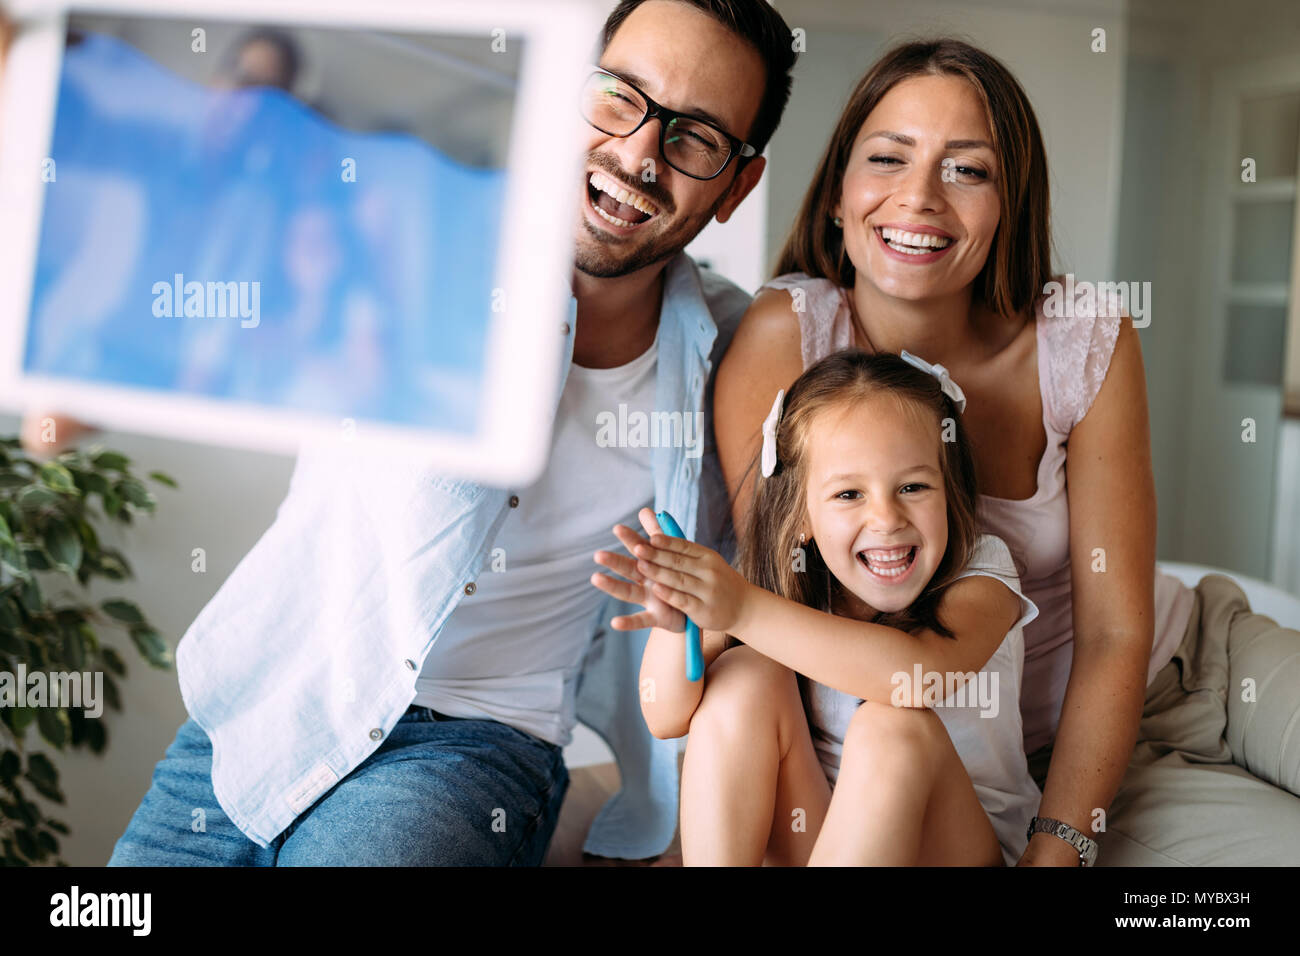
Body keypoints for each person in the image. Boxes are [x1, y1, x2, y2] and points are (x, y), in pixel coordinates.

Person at [6, 0, 796, 864]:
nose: (640, 150)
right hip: (269, 710)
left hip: (475, 749)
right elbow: (59, 420)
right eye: (619, 98)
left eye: (696, 139)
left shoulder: (737, 354)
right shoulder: (401, 243)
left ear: (737, 187)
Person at [713, 37, 1300, 865]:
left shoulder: (1082, 338)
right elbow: (791, 602)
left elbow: (1114, 635)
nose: (919, 199)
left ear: (1011, 204)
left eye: (968, 170)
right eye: (888, 158)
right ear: (840, 194)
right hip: (1002, 764)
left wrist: (1060, 848)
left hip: (1187, 668)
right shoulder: (789, 338)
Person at [593, 349, 1043, 864]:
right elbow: (665, 717)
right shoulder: (778, 584)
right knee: (744, 674)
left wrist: (741, 610)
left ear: (949, 490)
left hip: (960, 849)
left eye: (913, 487)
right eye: (849, 494)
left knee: (892, 726)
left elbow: (919, 677)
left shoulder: (982, 572)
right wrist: (682, 626)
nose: (886, 518)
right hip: (829, 846)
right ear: (802, 516)